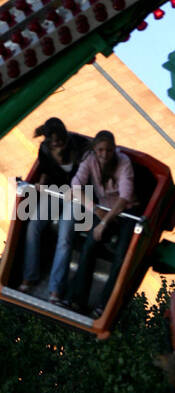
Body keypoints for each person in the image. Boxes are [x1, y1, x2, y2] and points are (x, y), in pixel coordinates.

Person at [66, 130, 135, 318]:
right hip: (104, 209)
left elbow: (124, 198)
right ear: (95, 150)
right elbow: (76, 185)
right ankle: (77, 299)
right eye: (101, 150)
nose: (105, 155)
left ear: (115, 149)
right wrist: (95, 210)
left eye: (109, 150)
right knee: (90, 243)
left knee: (122, 256)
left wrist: (103, 222)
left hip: (127, 214)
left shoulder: (124, 163)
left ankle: (104, 305)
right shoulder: (90, 159)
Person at [19, 118, 86, 303]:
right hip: (55, 191)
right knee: (34, 226)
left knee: (65, 236)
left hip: (78, 195)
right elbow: (46, 172)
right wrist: (40, 184)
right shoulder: (45, 150)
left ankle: (55, 289)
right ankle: (29, 276)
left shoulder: (79, 146)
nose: (57, 145)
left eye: (60, 140)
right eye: (53, 141)